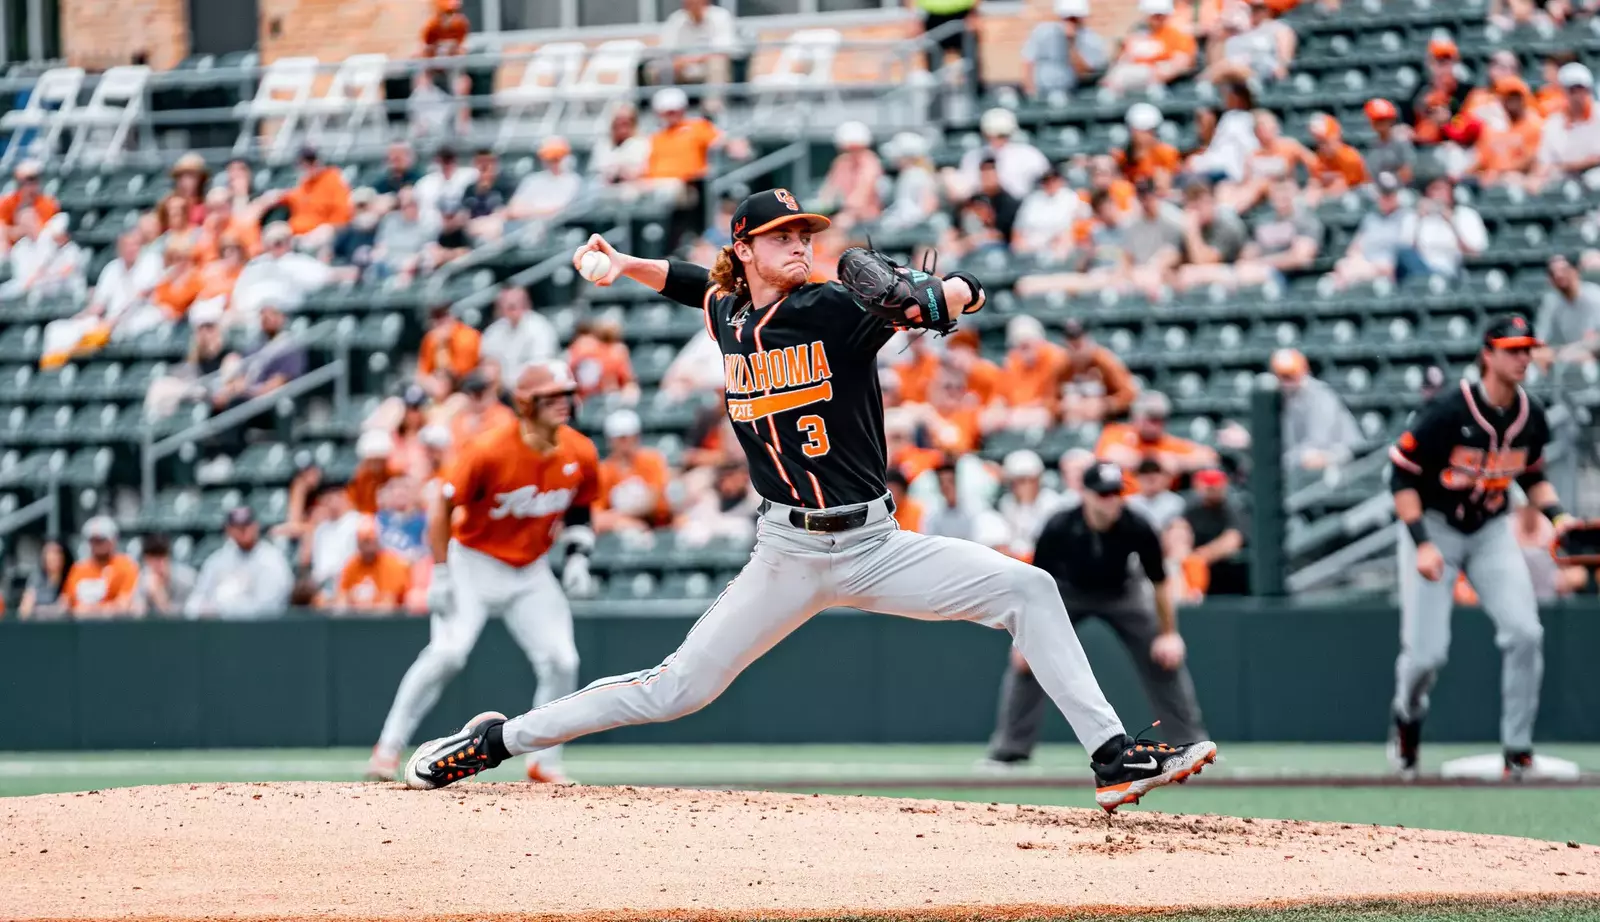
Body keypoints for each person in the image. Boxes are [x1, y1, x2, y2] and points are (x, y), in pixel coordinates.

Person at [400, 189, 1219, 811]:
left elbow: (934, 302)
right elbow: (694, 286)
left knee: (1029, 589)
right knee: (674, 691)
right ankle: (497, 738)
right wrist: (621, 266)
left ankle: (1112, 758)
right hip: (786, 553)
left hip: (874, 545)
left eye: (807, 234)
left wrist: (951, 293)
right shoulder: (729, 313)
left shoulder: (833, 307)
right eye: (783, 236)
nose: (801, 243)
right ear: (746, 249)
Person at [369, 362, 598, 785]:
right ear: (527, 404)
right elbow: (442, 507)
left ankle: (544, 763)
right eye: (552, 397)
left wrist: (579, 556)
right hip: (473, 562)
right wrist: (439, 570)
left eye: (566, 395)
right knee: (447, 653)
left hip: (530, 568)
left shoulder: (579, 450)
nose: (563, 404)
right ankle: (386, 749)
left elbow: (580, 508)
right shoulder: (489, 449)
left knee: (563, 660)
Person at [1386, 314, 1570, 780]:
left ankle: (1517, 748)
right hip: (1433, 528)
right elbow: (1401, 475)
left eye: (1527, 348)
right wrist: (1422, 544)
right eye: (1512, 349)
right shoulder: (1450, 409)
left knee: (1525, 632)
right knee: (1427, 654)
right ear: (1487, 354)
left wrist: (1558, 517)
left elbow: (1532, 474)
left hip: (1490, 530)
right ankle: (1407, 714)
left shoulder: (1532, 414)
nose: (1523, 357)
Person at [981, 461, 1207, 769]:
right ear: (1084, 494)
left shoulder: (1137, 525)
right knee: (1027, 661)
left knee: (1164, 657)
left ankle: (1190, 745)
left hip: (1122, 592)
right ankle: (1010, 748)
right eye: (1102, 494)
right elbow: (1035, 583)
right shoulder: (1060, 525)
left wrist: (1168, 634)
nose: (1111, 500)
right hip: (1066, 592)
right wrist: (1023, 638)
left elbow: (1159, 581)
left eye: (1115, 492)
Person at [187, 507, 296, 619]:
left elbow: (268, 608)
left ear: (256, 526)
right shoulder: (217, 560)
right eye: (237, 526)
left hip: (262, 631)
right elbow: (195, 602)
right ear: (228, 530)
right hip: (221, 630)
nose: (243, 530)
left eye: (247, 525)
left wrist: (222, 609)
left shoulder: (272, 560)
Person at [1272, 348, 1364, 470]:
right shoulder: (1281, 398)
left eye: (1290, 376)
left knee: (1311, 458)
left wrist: (1280, 460)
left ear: (1303, 372)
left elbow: (1318, 444)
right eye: (1282, 376)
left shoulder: (1320, 396)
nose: (1286, 382)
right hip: (1303, 458)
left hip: (1345, 456)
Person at [595, 408, 673, 533]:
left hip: (659, 525)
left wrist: (627, 512)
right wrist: (623, 521)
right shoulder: (603, 471)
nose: (626, 442)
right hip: (621, 531)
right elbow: (595, 516)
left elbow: (657, 500)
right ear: (610, 441)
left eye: (631, 437)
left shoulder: (652, 460)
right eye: (621, 438)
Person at [1102, 0, 1197, 93]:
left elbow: (1180, 63)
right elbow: (1123, 58)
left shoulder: (1178, 35)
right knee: (1117, 75)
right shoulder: (1138, 33)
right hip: (1132, 80)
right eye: (1154, 15)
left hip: (1159, 83)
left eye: (1160, 15)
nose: (1157, 18)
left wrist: (1158, 74)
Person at [1180, 468, 1249, 596]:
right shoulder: (1191, 508)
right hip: (1199, 568)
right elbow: (1180, 532)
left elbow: (1234, 539)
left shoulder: (1233, 506)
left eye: (1216, 486)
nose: (1212, 490)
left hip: (1231, 570)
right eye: (1209, 487)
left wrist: (1204, 555)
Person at [1021, 0, 1110, 100]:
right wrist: (1030, 90)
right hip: (1041, 92)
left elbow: (1084, 72)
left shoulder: (1090, 40)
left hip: (1070, 94)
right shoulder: (1042, 32)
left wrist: (1071, 43)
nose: (1070, 22)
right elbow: (1028, 61)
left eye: (1074, 19)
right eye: (1067, 18)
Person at [1532, 63, 1600, 190]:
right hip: (1564, 179)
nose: (1577, 95)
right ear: (1563, 92)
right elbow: (1544, 161)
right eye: (1572, 90)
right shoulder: (1554, 123)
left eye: (1581, 89)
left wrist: (1570, 165)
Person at [61, 517, 140, 619]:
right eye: (93, 540)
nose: (97, 545)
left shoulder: (125, 565)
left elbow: (124, 605)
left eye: (101, 540)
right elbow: (65, 602)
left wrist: (90, 610)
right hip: (79, 628)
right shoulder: (79, 568)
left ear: (113, 540)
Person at [995, 449, 1066, 560]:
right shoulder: (1006, 503)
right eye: (1016, 481)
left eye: (1027, 480)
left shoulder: (1053, 504)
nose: (1022, 486)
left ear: (1038, 479)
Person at [334, 516, 414, 613]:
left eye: (371, 539)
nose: (369, 545)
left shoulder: (391, 564)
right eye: (365, 540)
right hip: (357, 621)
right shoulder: (352, 564)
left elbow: (388, 606)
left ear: (377, 540)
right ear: (358, 542)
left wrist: (358, 602)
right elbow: (341, 600)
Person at [1535, 255, 1600, 372]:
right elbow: (1540, 340)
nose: (1558, 275)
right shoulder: (1551, 302)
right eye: (1553, 273)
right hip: (1564, 355)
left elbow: (1594, 341)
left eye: (1563, 270)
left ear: (1575, 271)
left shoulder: (1595, 296)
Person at [657, 0, 737, 90]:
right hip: (682, 66)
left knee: (716, 64)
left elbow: (722, 49)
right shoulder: (676, 19)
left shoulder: (721, 16)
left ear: (705, 2)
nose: (692, 6)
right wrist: (679, 62)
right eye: (688, 3)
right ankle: (666, 102)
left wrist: (692, 59)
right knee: (657, 69)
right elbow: (666, 48)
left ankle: (713, 103)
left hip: (706, 65)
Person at [134, 533, 197, 617]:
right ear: (146, 559)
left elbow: (187, 616)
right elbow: (136, 614)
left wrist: (159, 597)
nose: (159, 563)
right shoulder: (143, 579)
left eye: (162, 556)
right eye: (153, 557)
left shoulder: (186, 579)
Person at [1364, 98, 1416, 184]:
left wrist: (1392, 181)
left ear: (1391, 120)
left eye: (1383, 120)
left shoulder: (1401, 141)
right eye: (1376, 120)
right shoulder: (1370, 144)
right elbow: (1368, 175)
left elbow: (1408, 172)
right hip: (1376, 189)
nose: (1380, 124)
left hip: (1401, 189)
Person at [17, 538, 71, 620]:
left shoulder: (70, 577)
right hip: (38, 627)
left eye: (57, 553)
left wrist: (37, 610)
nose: (53, 557)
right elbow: (24, 611)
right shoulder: (36, 578)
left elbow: (66, 609)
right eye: (48, 553)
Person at [1126, 459, 1185, 530]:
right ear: (1138, 479)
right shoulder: (1129, 503)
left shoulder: (1176, 502)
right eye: (1145, 479)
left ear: (1163, 478)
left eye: (1153, 479)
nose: (1149, 482)